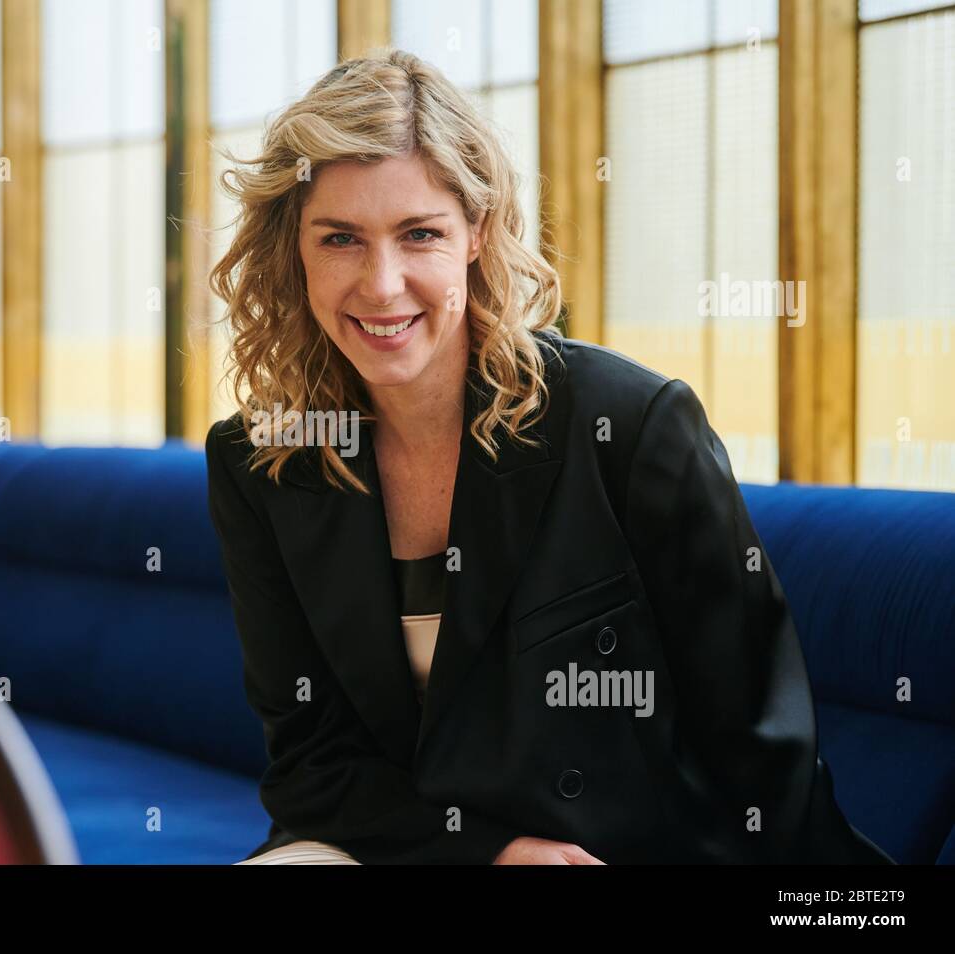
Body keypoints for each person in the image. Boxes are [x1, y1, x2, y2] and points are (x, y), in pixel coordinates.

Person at [204, 48, 894, 866]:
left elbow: (758, 753)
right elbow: (310, 763)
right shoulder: (262, 460)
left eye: (419, 233)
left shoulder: (630, 424)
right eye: (342, 238)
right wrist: (489, 853)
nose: (382, 285)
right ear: (296, 250)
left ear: (478, 234)